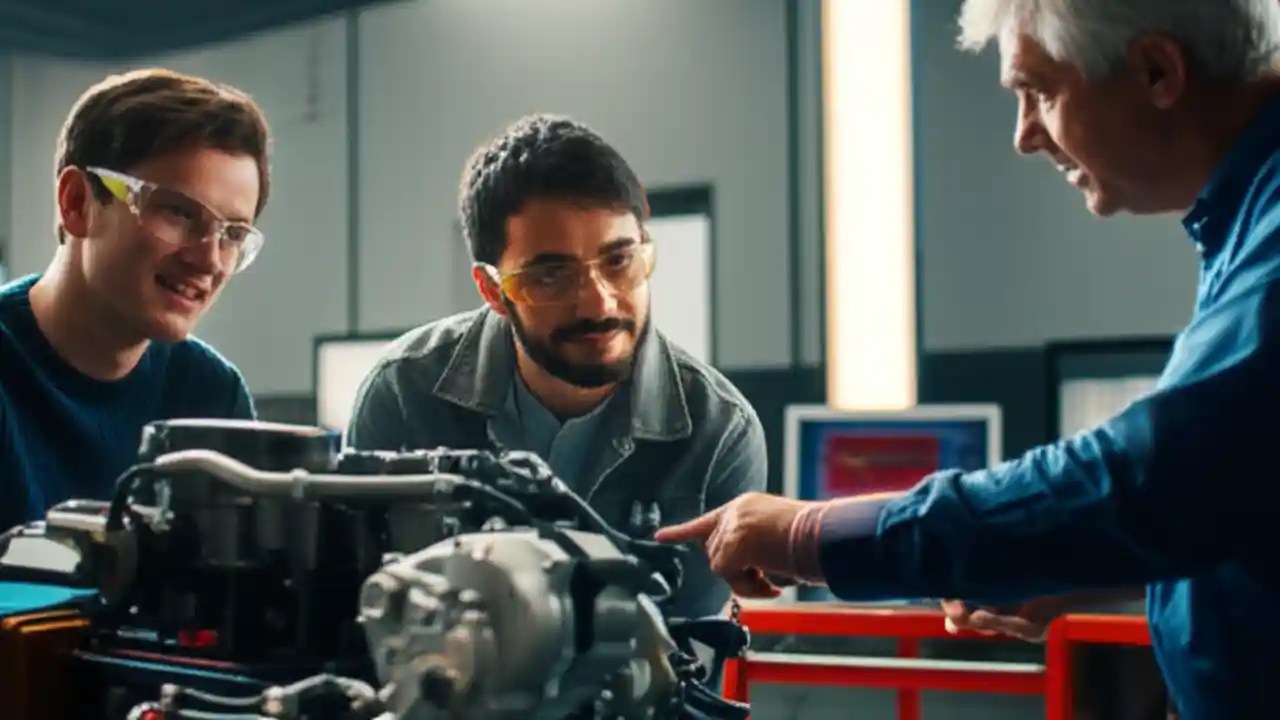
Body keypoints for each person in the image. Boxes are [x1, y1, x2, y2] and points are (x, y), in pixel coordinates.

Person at [655, 1, 1280, 716]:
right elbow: (1237, 490)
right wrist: (1090, 565)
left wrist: (812, 535)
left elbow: (1153, 477)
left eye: (1039, 89)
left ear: (1156, 71)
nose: (1023, 135)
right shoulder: (1246, 221)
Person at [346, 113, 767, 619]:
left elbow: (687, 661)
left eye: (620, 261)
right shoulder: (403, 394)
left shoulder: (718, 432)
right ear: (492, 290)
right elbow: (368, 613)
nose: (598, 304)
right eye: (550, 275)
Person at [0, 68, 271, 532]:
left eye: (232, 233)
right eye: (179, 212)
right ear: (77, 202)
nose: (209, 260)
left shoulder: (212, 396)